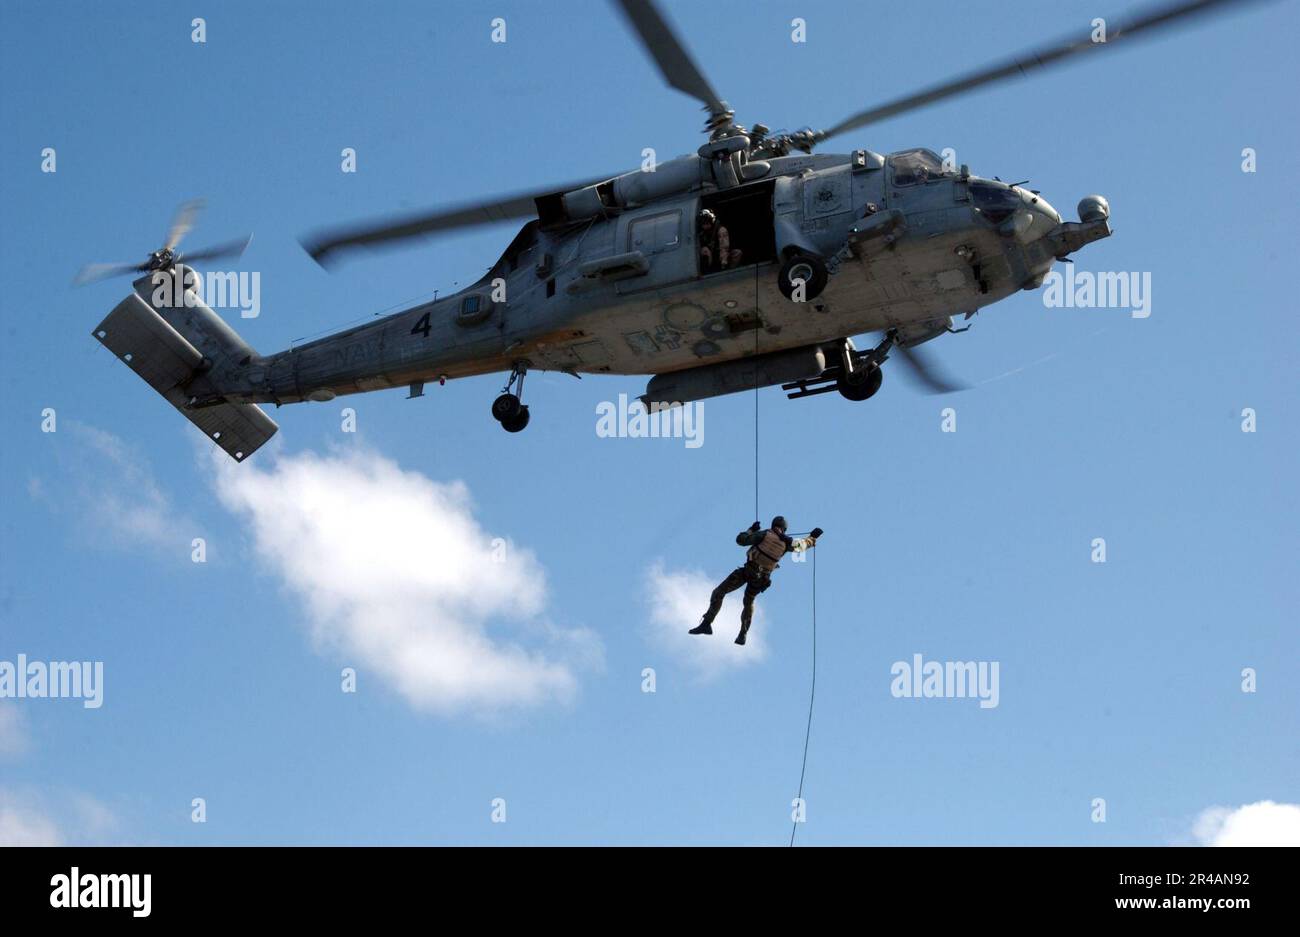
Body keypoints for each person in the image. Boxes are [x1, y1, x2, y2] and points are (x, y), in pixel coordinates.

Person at [689, 516, 819, 645]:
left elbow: (741, 540)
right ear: (784, 529)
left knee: (719, 592)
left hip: (747, 572)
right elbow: (802, 546)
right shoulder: (787, 543)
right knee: (748, 602)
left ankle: (707, 624)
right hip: (761, 578)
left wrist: (751, 529)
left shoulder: (765, 534)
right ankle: (743, 633)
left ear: (773, 525)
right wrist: (812, 537)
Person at [698, 209, 742, 273]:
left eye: (706, 223)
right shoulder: (703, 233)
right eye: (703, 223)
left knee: (737, 253)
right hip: (713, 257)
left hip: (721, 257)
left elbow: (724, 247)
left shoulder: (721, 230)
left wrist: (724, 263)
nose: (704, 225)